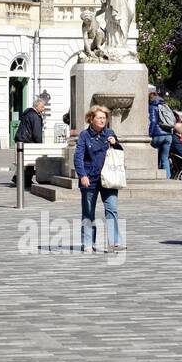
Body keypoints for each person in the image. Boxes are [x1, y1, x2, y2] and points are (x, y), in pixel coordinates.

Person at [74, 104, 123, 253]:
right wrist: (82, 175)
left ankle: (115, 242)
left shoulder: (109, 133)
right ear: (91, 119)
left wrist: (115, 143)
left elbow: (119, 153)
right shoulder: (84, 135)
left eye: (104, 118)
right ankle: (88, 242)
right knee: (88, 211)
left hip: (109, 177)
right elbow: (78, 157)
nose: (102, 120)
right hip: (90, 178)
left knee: (112, 209)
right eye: (99, 118)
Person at [147, 87, 174, 174]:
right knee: (165, 158)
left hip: (158, 135)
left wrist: (150, 134)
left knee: (153, 157)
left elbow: (153, 121)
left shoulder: (152, 107)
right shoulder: (164, 105)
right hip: (168, 134)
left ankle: (155, 174)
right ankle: (168, 179)